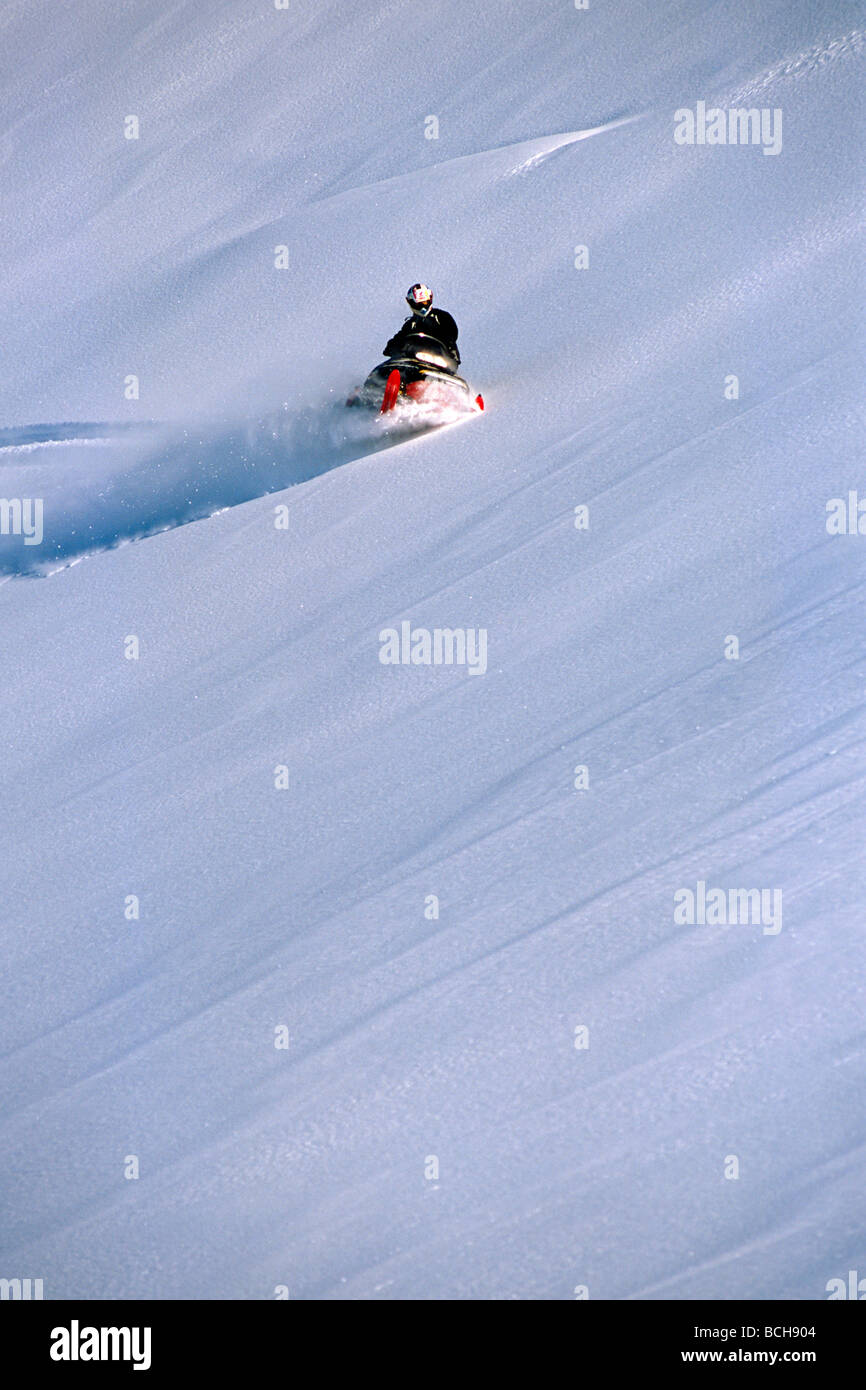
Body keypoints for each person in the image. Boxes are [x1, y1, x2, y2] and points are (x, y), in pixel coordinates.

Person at [384, 284, 460, 366]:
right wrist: (393, 347)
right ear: (410, 302)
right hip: (413, 360)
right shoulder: (410, 324)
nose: (422, 308)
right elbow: (396, 340)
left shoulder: (441, 316)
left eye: (425, 303)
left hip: (439, 357)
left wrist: (450, 347)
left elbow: (451, 333)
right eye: (418, 305)